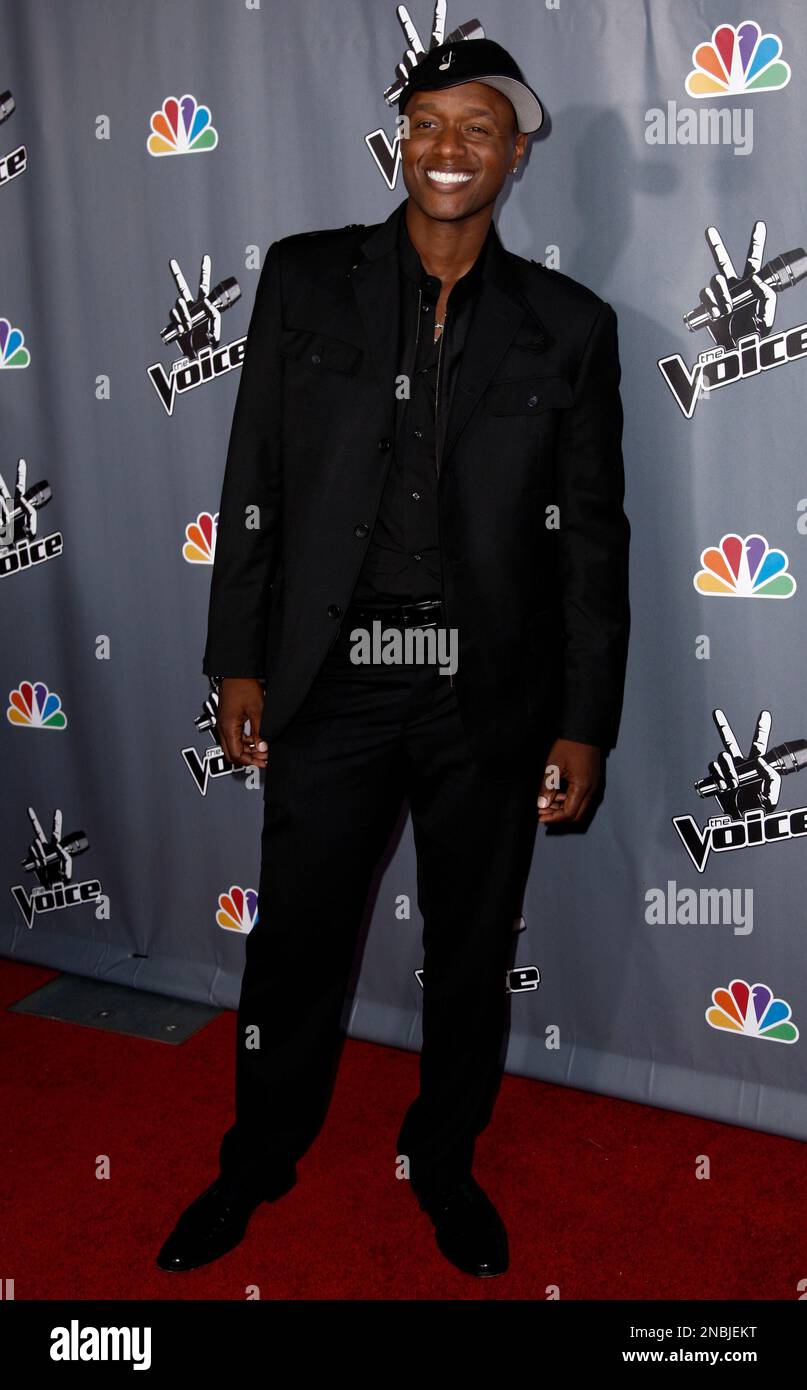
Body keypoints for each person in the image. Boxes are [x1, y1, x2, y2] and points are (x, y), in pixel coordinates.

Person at [157, 36, 630, 1279]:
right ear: (399, 143)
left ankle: (447, 1161)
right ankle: (256, 1159)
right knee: (295, 944)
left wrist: (584, 720)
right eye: (427, 123)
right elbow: (254, 473)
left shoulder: (569, 329)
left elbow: (592, 543)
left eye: (478, 128)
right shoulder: (305, 279)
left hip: (488, 690)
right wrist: (237, 655)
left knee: (469, 949)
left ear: (515, 155)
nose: (448, 148)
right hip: (337, 675)